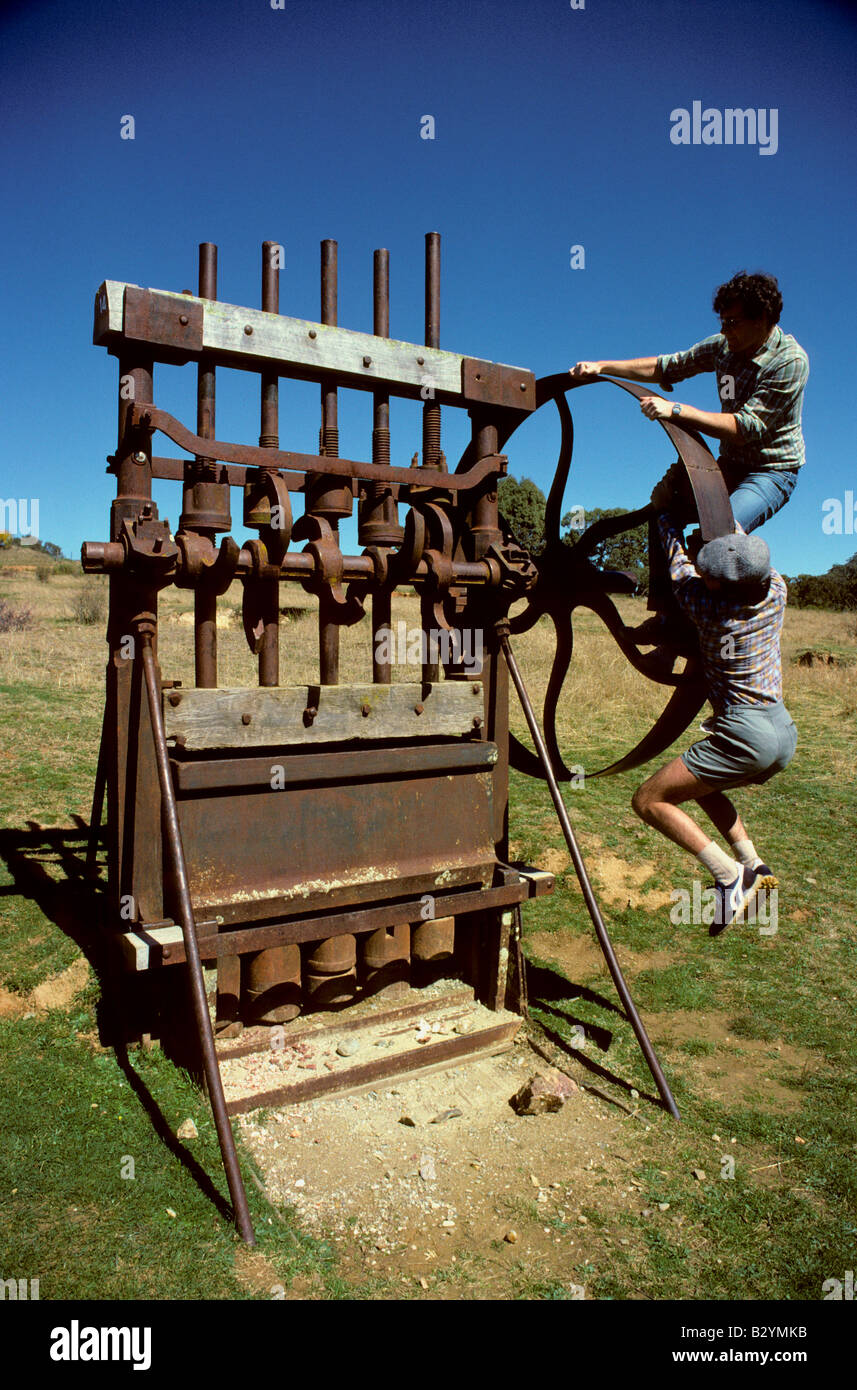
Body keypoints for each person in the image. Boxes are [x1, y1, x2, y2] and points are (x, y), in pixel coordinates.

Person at [630, 502, 797, 932]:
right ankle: (754, 865)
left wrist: (665, 512)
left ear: (722, 587)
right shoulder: (777, 591)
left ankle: (729, 878)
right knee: (699, 787)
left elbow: (677, 562)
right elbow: (739, 548)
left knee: (649, 799)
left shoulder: (706, 607)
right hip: (781, 731)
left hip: (745, 733)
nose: (704, 576)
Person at [569, 270, 809, 536]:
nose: (723, 330)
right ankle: (679, 575)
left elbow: (745, 429)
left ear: (761, 318)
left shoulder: (789, 361)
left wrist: (677, 410)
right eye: (722, 321)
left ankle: (743, 573)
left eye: (732, 322)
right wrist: (602, 366)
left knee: (721, 536)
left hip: (770, 472)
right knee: (663, 506)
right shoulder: (724, 346)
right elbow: (668, 366)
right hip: (730, 463)